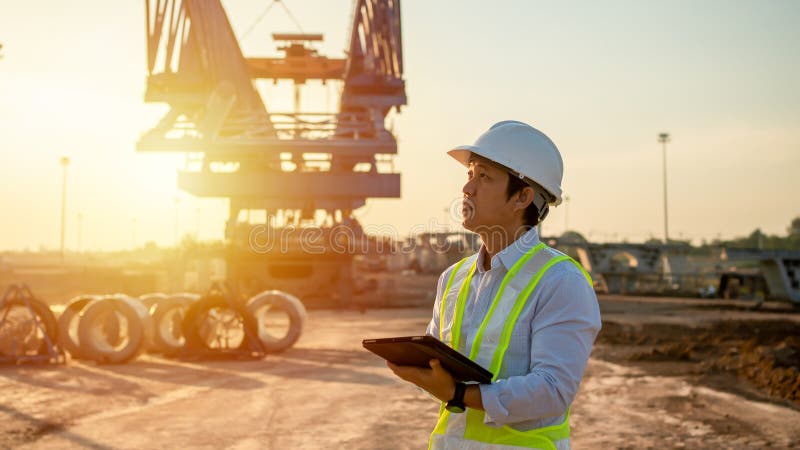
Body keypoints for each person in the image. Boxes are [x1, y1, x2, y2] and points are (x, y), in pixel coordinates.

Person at [387, 120, 601, 450]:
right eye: (469, 174)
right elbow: (440, 372)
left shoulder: (561, 281)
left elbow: (553, 391)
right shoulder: (453, 279)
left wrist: (459, 394)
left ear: (522, 197)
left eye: (484, 176)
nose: (467, 189)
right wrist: (420, 369)